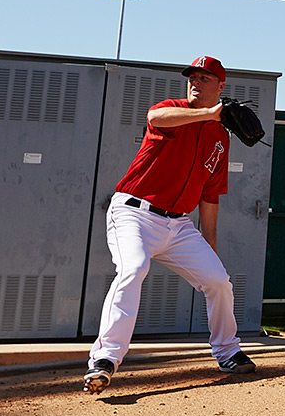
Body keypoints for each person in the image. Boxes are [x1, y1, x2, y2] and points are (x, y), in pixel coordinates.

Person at [83, 55, 254, 393]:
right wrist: (209, 112)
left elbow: (209, 199)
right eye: (193, 77)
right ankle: (104, 360)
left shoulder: (221, 138)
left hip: (179, 227)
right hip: (134, 213)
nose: (195, 82)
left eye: (205, 78)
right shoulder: (172, 111)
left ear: (221, 86)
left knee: (219, 280)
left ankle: (228, 352)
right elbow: (155, 116)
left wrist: (211, 252)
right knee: (134, 267)